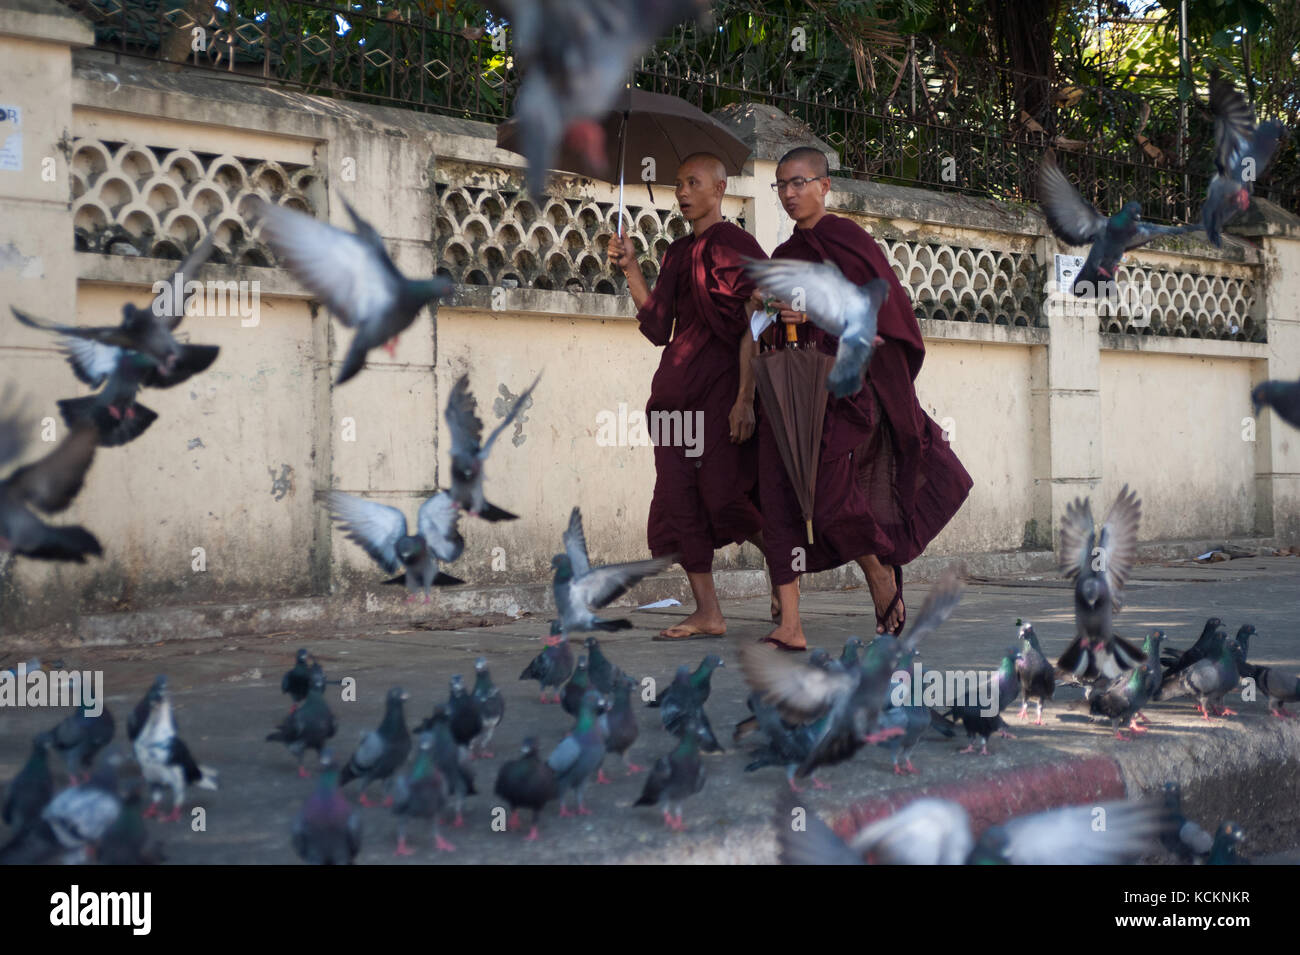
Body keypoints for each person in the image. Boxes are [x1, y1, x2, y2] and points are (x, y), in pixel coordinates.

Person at [757, 146, 973, 651]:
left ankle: (879, 572)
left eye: (799, 182)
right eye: (781, 186)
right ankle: (790, 623)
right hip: (794, 390)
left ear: (825, 186)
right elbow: (766, 312)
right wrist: (769, 307)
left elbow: (883, 309)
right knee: (777, 491)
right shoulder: (786, 254)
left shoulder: (848, 240)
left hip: (845, 387)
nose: (789, 194)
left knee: (832, 494)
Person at [607, 153, 775, 640]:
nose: (682, 192)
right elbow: (659, 327)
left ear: (719, 189)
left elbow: (755, 326)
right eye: (678, 183)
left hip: (721, 392)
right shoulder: (678, 254)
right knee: (680, 501)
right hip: (675, 396)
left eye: (692, 183)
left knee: (723, 496)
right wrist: (633, 269)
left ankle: (781, 564)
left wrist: (745, 398)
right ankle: (708, 611)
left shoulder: (739, 246)